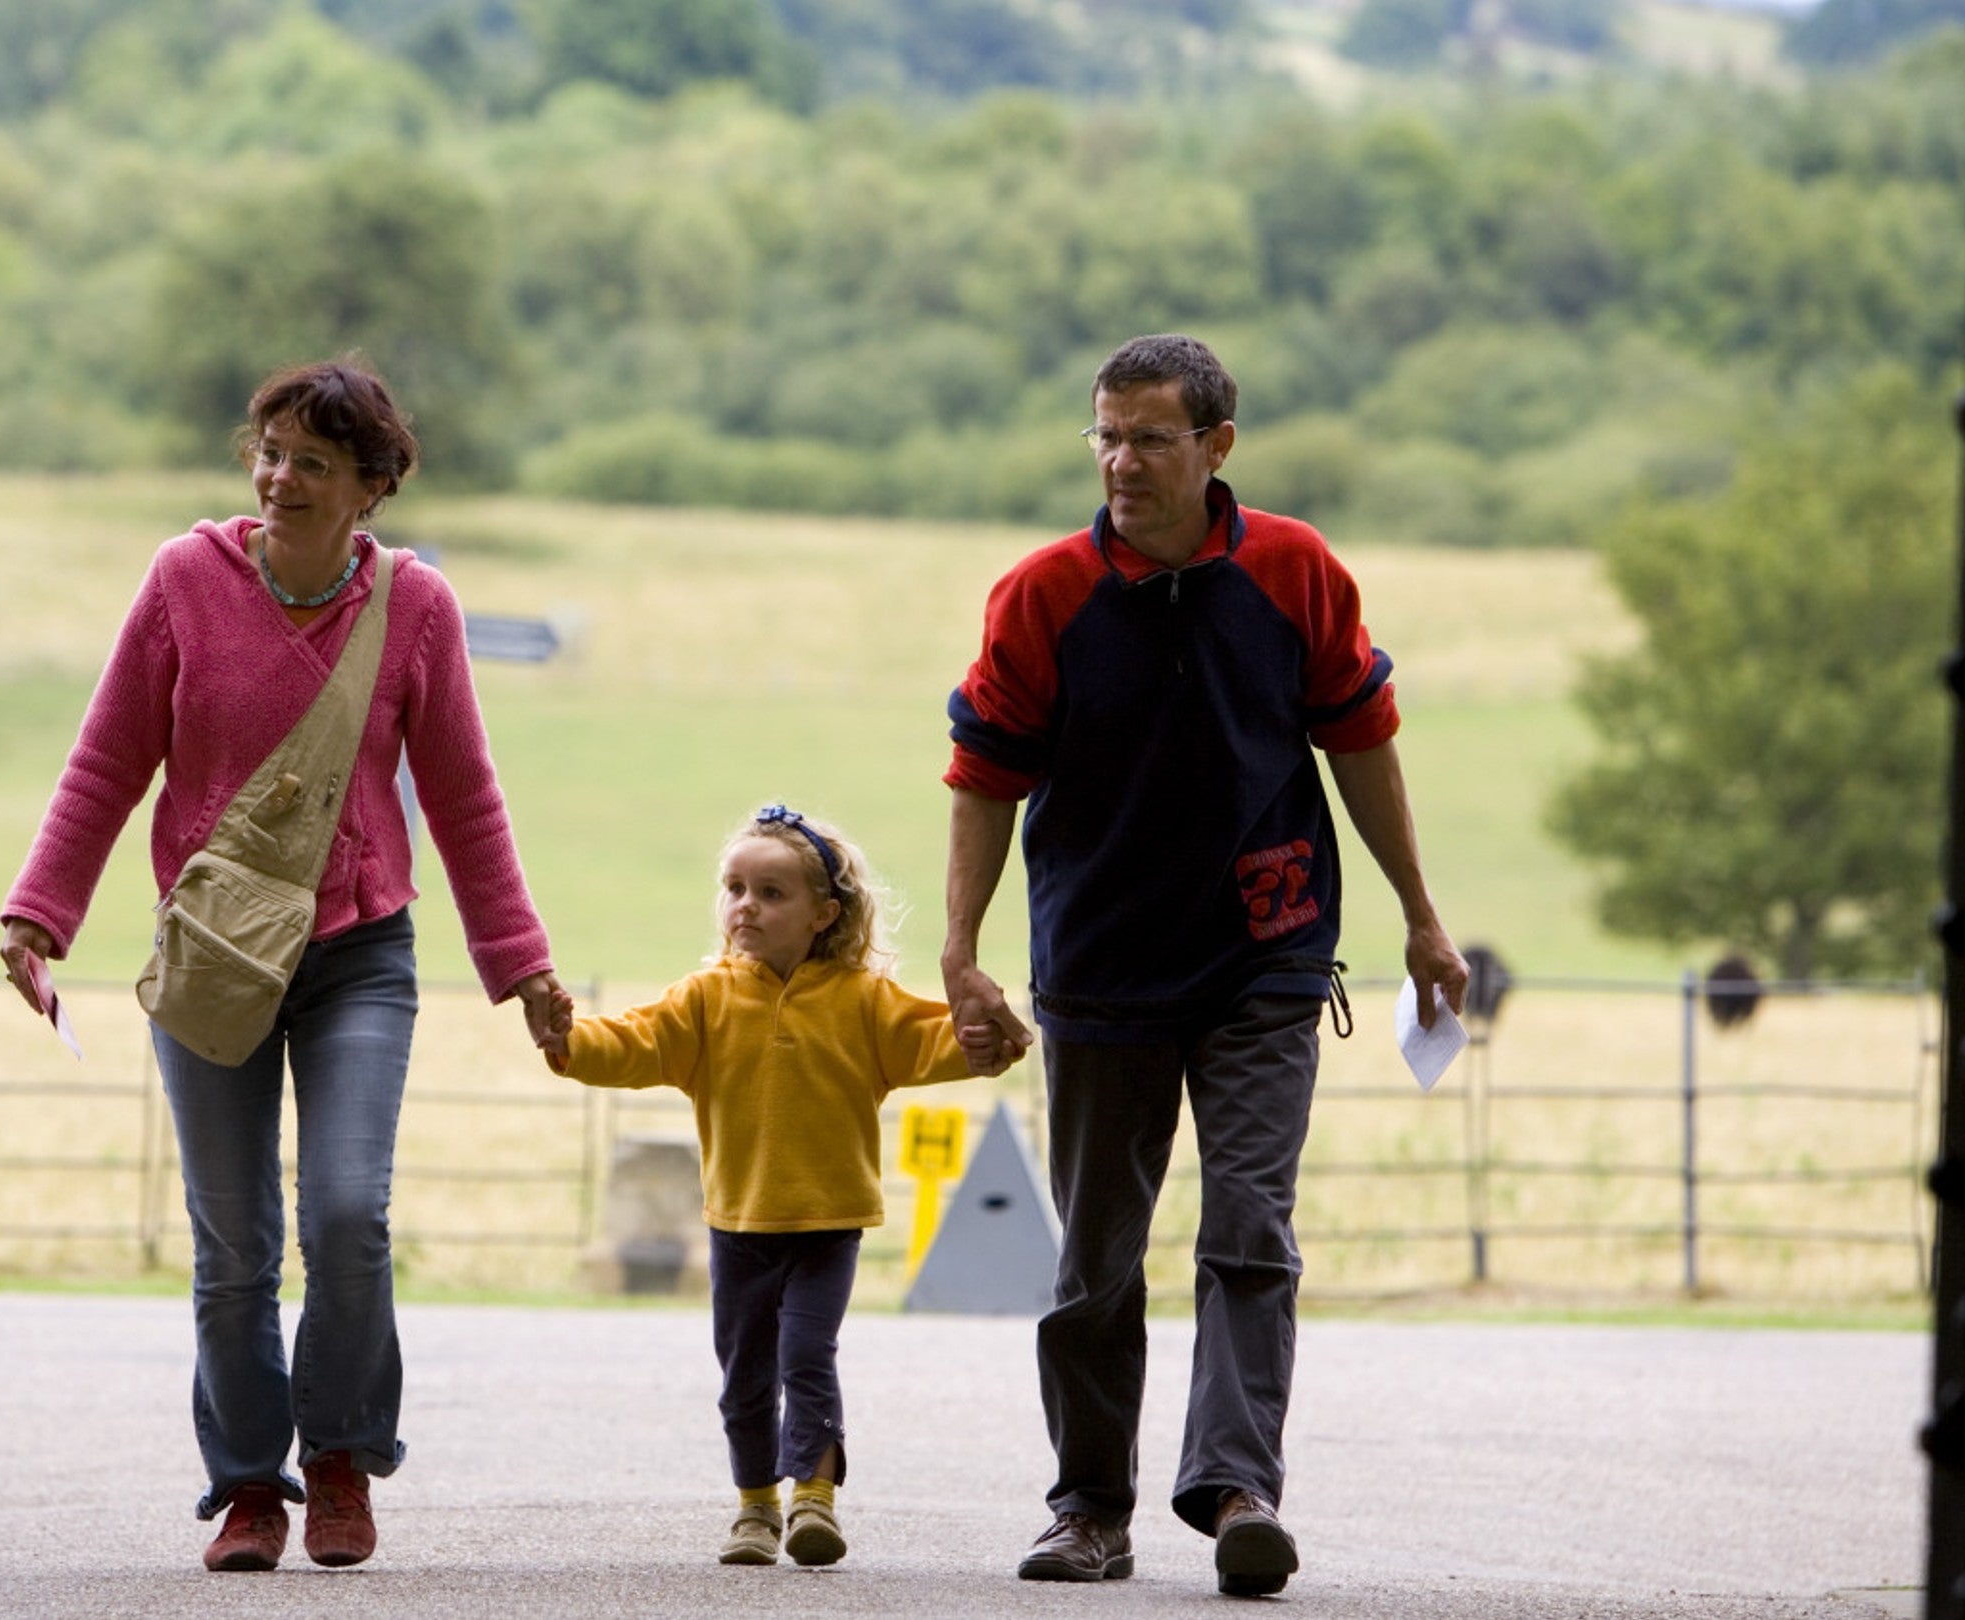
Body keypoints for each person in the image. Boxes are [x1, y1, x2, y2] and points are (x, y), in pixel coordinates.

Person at [0, 357, 569, 1575]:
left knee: (350, 1214)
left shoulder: (417, 609)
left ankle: (343, 1457)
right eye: (268, 451)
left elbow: (465, 798)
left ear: (372, 487)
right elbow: (107, 762)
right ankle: (250, 1486)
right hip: (213, 954)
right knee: (235, 1240)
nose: (280, 477)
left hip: (361, 949)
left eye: (313, 461)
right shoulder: (183, 582)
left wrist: (519, 965)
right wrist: (41, 912)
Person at [939, 333, 1467, 1599]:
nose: (1121, 461)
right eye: (1105, 436)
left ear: (1217, 445)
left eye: (1150, 437)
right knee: (1096, 1257)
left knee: (1249, 1224)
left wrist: (1419, 914)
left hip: (1266, 955)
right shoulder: (1041, 595)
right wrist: (960, 954)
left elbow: (1363, 740)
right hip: (1100, 964)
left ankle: (1239, 1493)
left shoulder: (1296, 572)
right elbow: (984, 779)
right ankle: (1089, 1511)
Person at [538, 805, 1008, 1570]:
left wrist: (984, 1039)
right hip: (739, 1226)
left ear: (825, 915)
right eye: (734, 888)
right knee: (745, 1375)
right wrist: (570, 1040)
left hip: (830, 1222)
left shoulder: (863, 999)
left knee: (806, 1355)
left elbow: (934, 1040)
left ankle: (812, 1502)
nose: (745, 906)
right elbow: (632, 1043)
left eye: (771, 892)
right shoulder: (705, 999)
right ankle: (754, 1509)